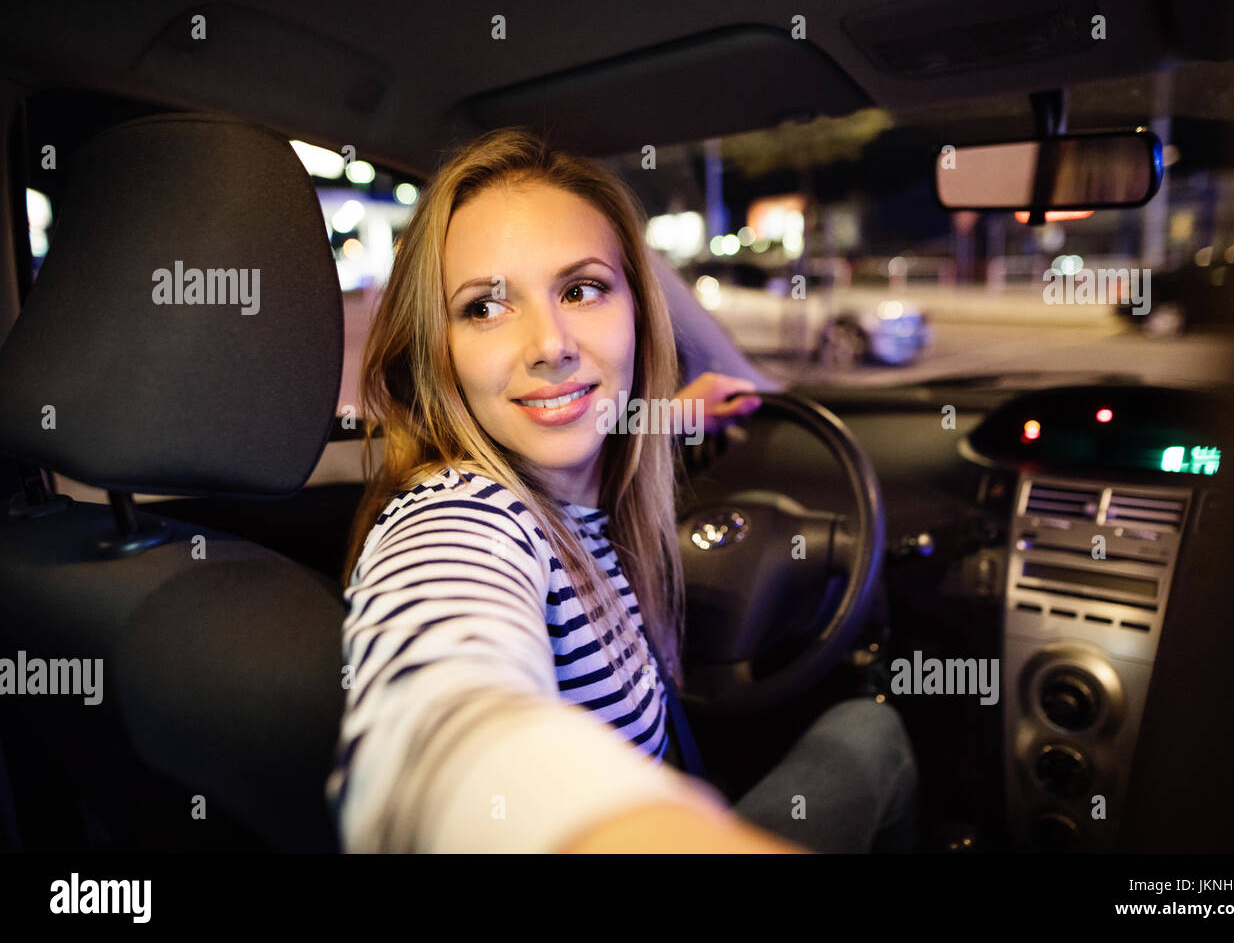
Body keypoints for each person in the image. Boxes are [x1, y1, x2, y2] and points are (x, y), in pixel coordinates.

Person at [325, 126, 919, 853]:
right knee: (872, 728)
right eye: (484, 306)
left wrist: (672, 413)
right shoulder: (459, 516)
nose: (550, 344)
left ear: (637, 312)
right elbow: (435, 722)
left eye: (581, 290)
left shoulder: (582, 483)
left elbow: (604, 412)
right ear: (434, 354)